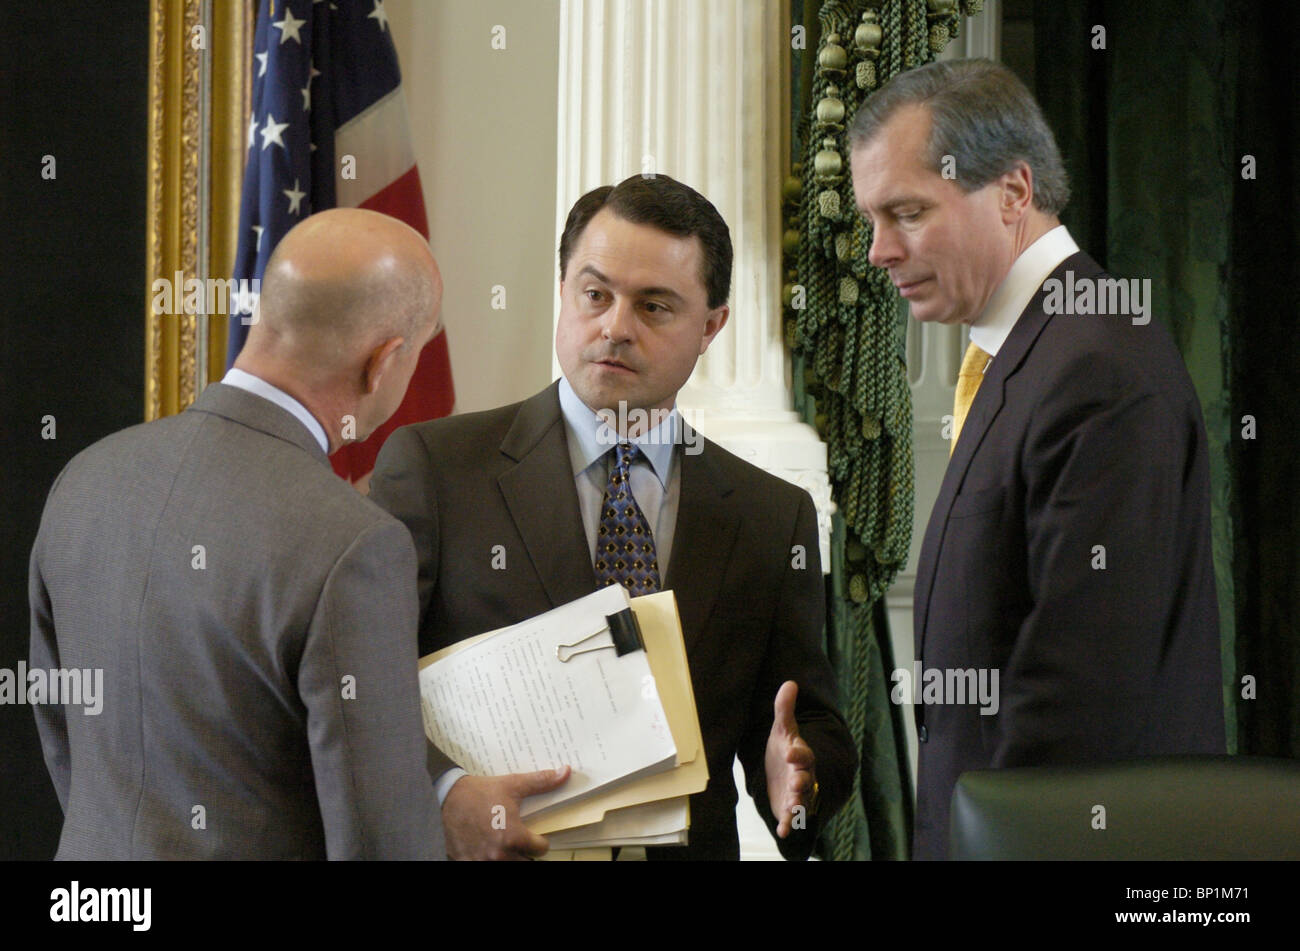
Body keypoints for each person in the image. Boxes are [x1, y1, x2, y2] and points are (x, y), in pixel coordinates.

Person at [370, 174, 856, 861]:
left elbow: (808, 722)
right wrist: (444, 792)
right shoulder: (436, 470)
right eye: (595, 294)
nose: (615, 327)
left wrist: (800, 774)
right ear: (563, 290)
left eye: (654, 306)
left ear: (711, 325)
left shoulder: (770, 515)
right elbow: (354, 684)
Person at [847, 59, 1226, 861]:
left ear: (1013, 193)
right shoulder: (1034, 348)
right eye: (872, 219)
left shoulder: (1097, 365)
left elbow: (1078, 705)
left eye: (907, 212)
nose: (879, 250)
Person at [29, 208, 448, 859]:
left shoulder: (83, 479)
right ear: (384, 361)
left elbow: (64, 742)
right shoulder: (354, 545)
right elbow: (381, 841)